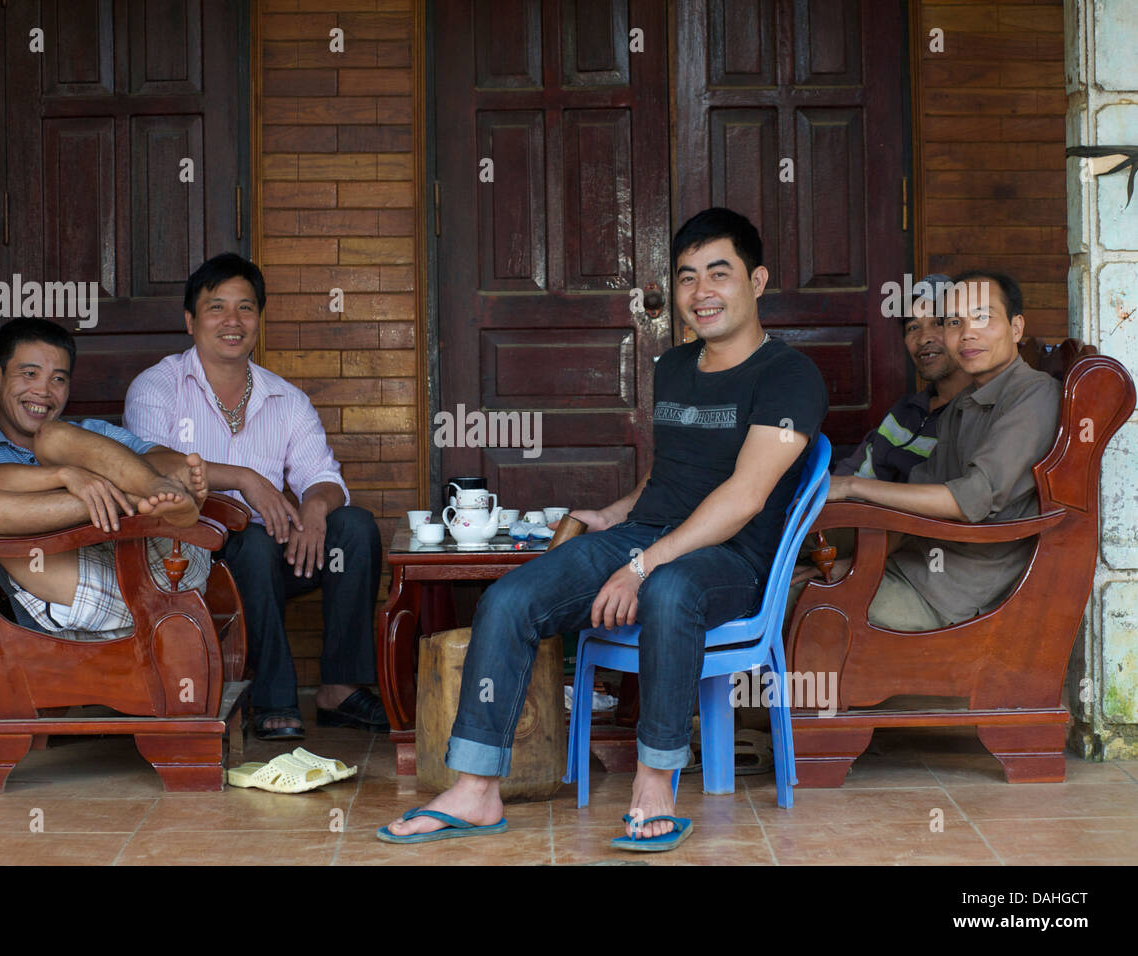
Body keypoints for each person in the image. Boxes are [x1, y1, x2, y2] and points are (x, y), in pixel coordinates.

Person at [380, 208, 828, 850]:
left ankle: (655, 783)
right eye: (687, 276)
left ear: (756, 282)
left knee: (672, 592)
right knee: (511, 597)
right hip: (646, 537)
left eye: (719, 273)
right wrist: (614, 518)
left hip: (730, 560)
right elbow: (669, 476)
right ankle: (476, 789)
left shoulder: (790, 377)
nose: (702, 292)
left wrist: (642, 566)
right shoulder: (674, 367)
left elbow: (745, 496)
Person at [125, 253, 385, 741]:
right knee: (255, 543)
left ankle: (340, 689)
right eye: (216, 307)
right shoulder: (158, 387)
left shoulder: (285, 399)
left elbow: (324, 476)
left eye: (245, 308)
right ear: (190, 320)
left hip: (271, 555)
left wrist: (314, 505)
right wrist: (244, 478)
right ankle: (272, 698)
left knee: (353, 529)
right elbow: (148, 463)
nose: (232, 321)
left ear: (258, 320)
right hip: (189, 552)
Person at [816, 270, 1061, 630]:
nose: (967, 333)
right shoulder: (964, 402)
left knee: (811, 612)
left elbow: (971, 499)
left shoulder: (1034, 395)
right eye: (954, 322)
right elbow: (915, 510)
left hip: (952, 594)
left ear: (1017, 328)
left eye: (982, 317)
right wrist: (853, 566)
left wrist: (851, 487)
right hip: (912, 567)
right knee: (793, 587)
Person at [0, 318, 210, 640]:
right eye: (29, 374)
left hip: (164, 560)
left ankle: (149, 491)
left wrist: (239, 479)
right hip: (94, 590)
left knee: (53, 437)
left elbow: (174, 462)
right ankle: (134, 500)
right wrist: (68, 476)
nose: (43, 391)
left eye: (58, 379)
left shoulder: (90, 433)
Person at [834, 274, 972, 483]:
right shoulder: (905, 411)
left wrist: (852, 489)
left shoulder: (978, 414)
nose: (924, 338)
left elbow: (958, 502)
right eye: (913, 327)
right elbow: (854, 471)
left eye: (938, 323)